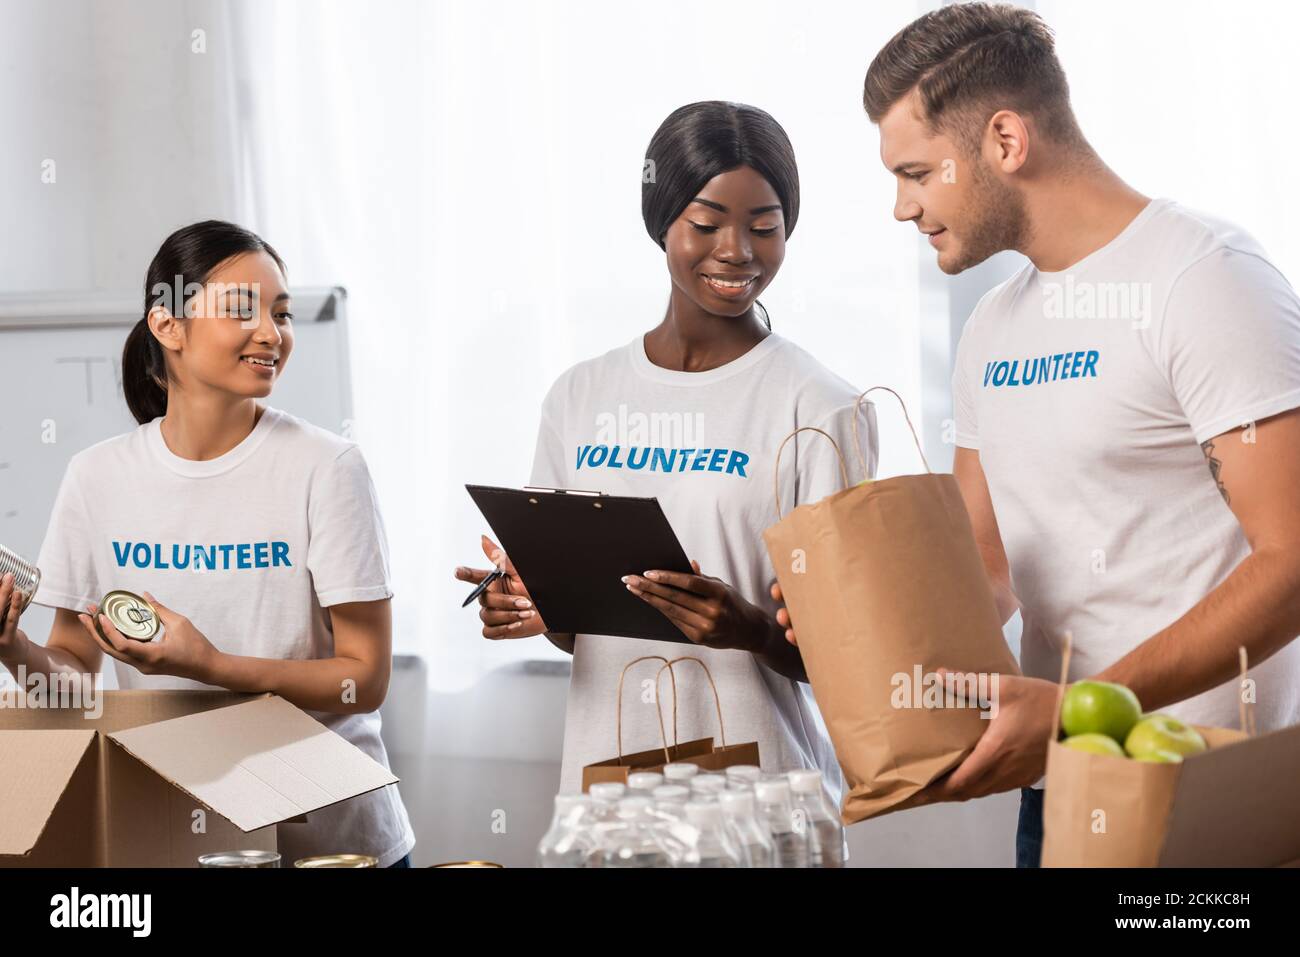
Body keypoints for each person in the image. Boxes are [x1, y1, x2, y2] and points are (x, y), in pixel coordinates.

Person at [778, 2, 1300, 867]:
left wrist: (1079, 704)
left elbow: (1291, 560)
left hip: (1211, 790)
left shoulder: (1204, 278)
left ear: (1006, 141)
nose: (901, 208)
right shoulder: (992, 328)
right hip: (1060, 787)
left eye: (916, 172)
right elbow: (986, 570)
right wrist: (861, 623)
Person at [456, 101, 875, 799]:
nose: (737, 251)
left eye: (764, 227)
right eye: (706, 225)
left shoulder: (822, 406)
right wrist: (535, 608)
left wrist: (750, 629)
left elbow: (852, 661)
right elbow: (583, 632)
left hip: (764, 806)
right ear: (662, 223)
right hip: (612, 801)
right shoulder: (580, 396)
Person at [0, 220, 416, 867]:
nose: (272, 333)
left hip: (333, 844)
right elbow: (77, 677)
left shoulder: (328, 467)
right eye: (243, 310)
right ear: (168, 325)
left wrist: (210, 664)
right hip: (181, 835)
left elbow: (363, 679)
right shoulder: (96, 477)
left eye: (282, 314)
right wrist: (15, 649)